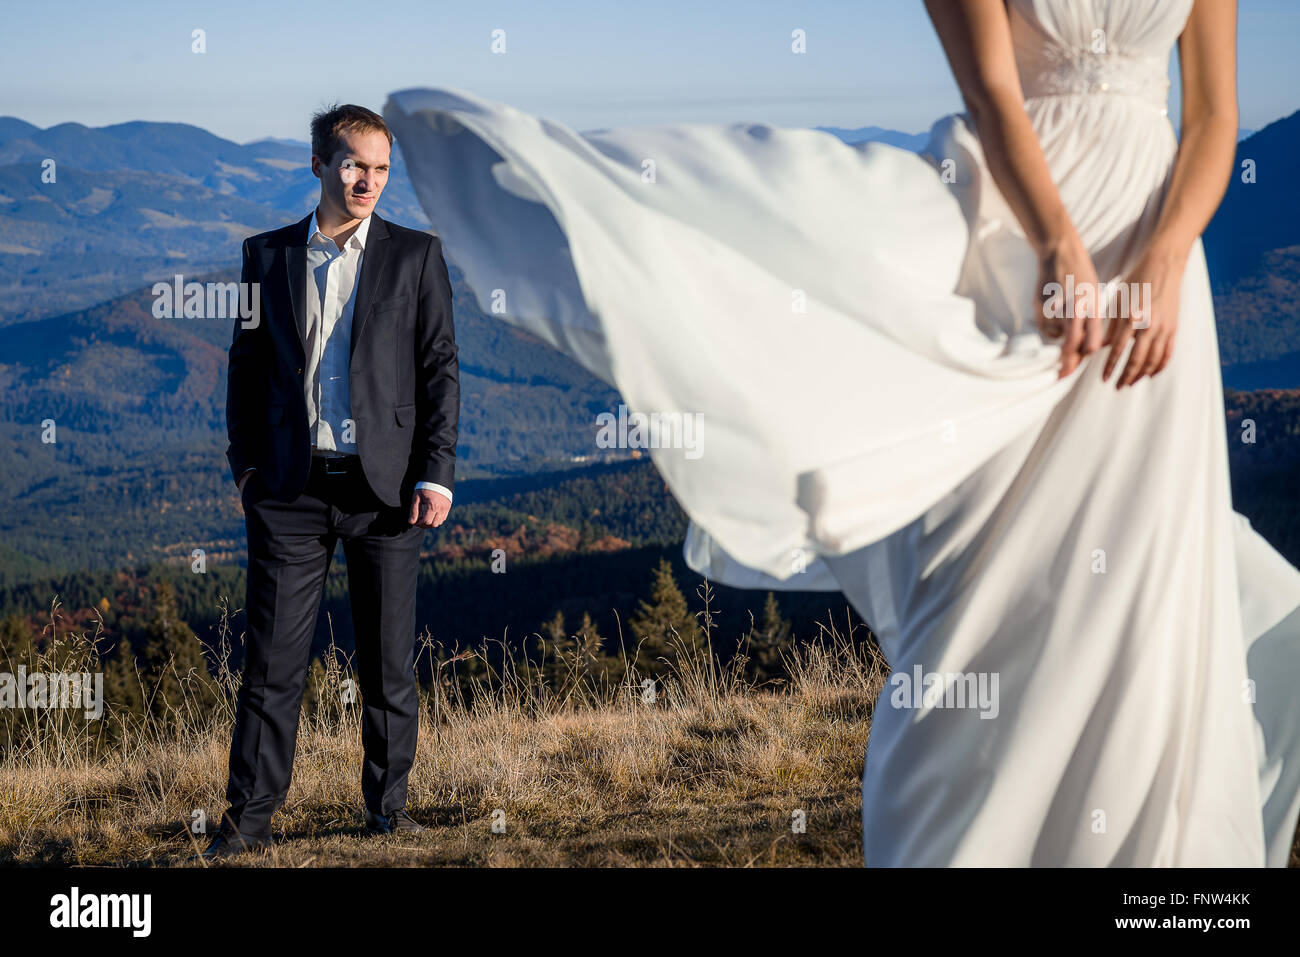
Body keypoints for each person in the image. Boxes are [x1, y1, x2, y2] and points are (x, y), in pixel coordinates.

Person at [382, 0, 1300, 865]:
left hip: (1160, 272)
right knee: (986, 591)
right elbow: (990, 88)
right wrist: (1057, 243)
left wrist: (1170, 256)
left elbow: (1213, 114)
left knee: (1140, 576)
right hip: (1013, 243)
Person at [205, 103, 460, 859]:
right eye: (354, 164)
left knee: (388, 664)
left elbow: (440, 367)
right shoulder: (267, 256)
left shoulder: (417, 255)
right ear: (319, 163)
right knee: (271, 667)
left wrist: (436, 474)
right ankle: (247, 824)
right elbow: (246, 367)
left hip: (386, 493)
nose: (368, 181)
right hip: (288, 491)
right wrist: (245, 467)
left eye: (381, 168)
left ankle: (388, 813)